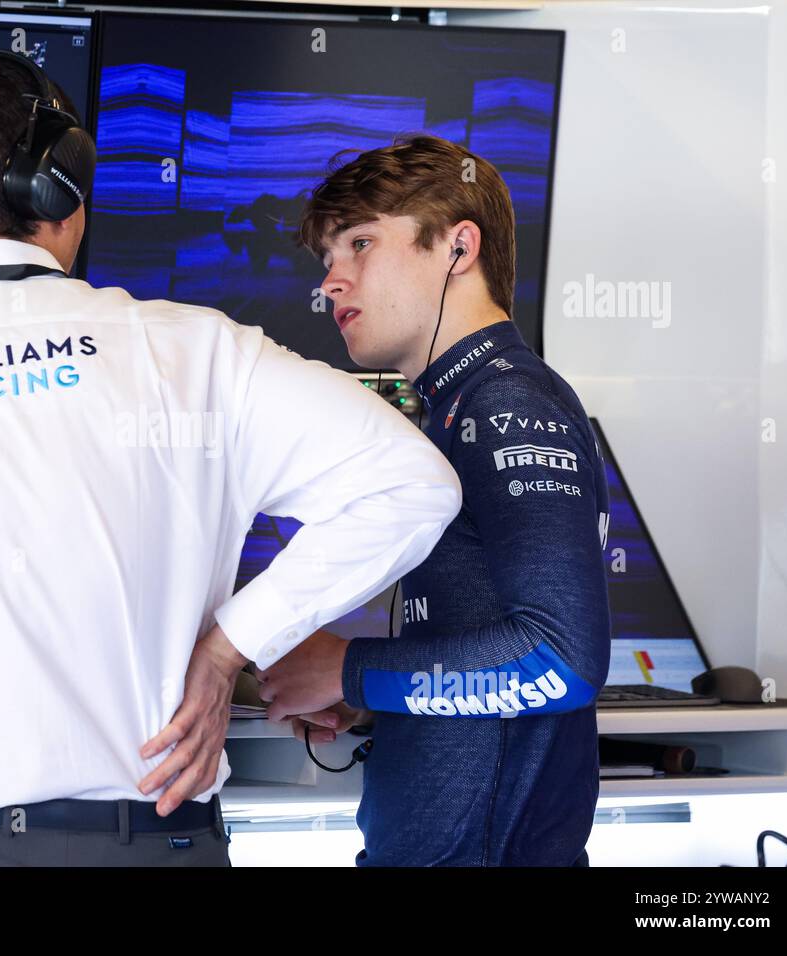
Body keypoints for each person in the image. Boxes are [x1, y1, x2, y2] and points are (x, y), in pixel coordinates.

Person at [0, 56, 461, 866]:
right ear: (63, 187)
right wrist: (228, 649)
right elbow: (413, 483)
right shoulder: (197, 352)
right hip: (159, 841)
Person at [258, 135, 611, 867]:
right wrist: (375, 693)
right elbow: (487, 647)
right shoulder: (456, 408)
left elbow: (561, 658)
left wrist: (348, 669)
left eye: (360, 243)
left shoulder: (508, 400)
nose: (332, 284)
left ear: (458, 248)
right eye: (328, 261)